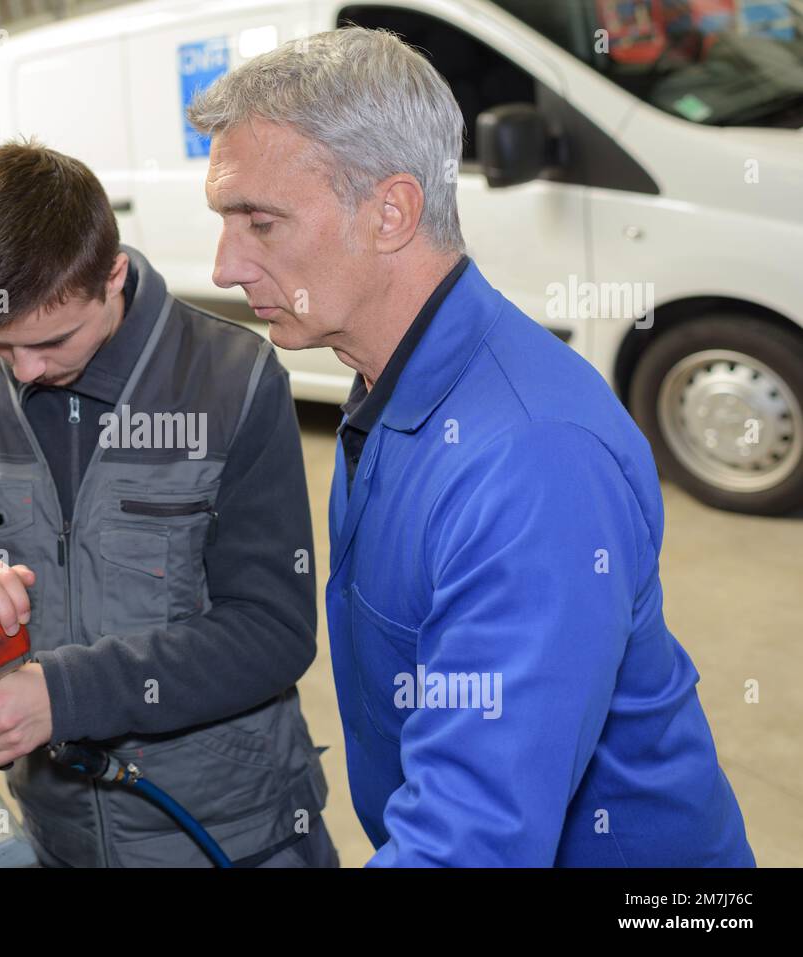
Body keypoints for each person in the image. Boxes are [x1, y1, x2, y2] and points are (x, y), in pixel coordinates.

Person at [188, 26, 754, 866]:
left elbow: (471, 842)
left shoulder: (530, 463)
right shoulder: (388, 381)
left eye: (260, 223)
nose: (225, 265)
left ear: (392, 211)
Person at [0, 142, 335, 868]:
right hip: (62, 839)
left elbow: (272, 631)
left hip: (236, 835)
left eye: (50, 340)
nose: (26, 371)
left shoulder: (231, 382)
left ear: (112, 275)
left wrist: (63, 694)